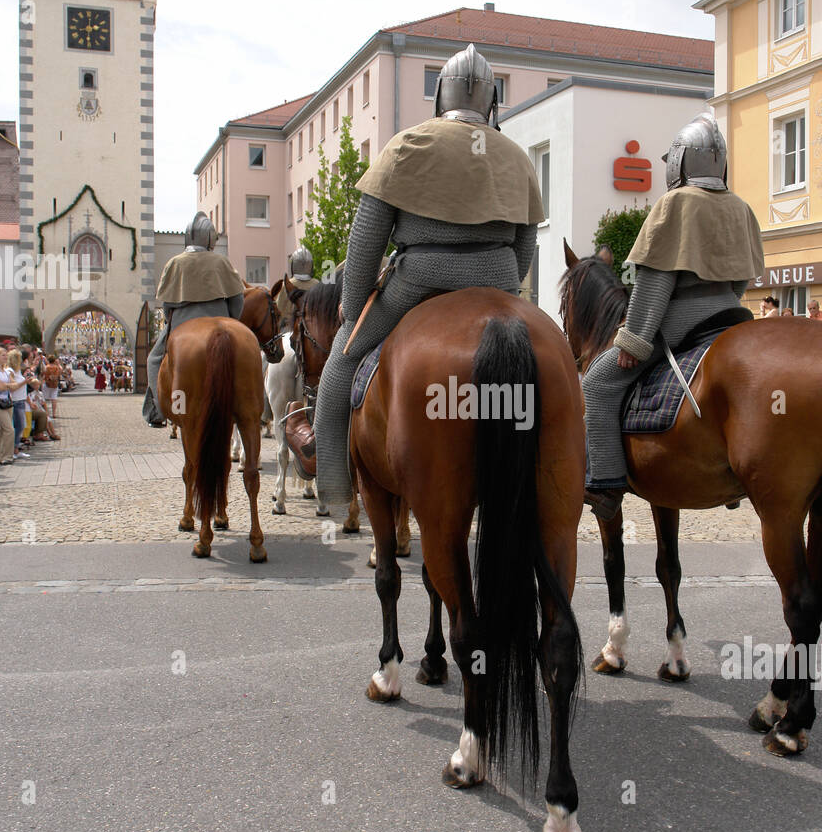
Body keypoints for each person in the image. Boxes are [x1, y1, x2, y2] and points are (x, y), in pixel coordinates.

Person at [314, 43, 544, 509]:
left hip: (418, 282)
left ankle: (334, 483)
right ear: (492, 101)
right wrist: (504, 290)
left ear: (440, 95)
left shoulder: (409, 144)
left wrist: (355, 313)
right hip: (496, 282)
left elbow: (365, 243)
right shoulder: (516, 156)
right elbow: (525, 245)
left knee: (341, 358)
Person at [580, 113, 763, 519]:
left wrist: (635, 340)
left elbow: (656, 283)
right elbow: (741, 281)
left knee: (596, 382)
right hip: (732, 316)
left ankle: (606, 484)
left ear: (679, 162)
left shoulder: (675, 203)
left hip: (683, 320)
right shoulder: (741, 206)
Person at [142, 211, 247, 427]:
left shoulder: (175, 262)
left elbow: (167, 305)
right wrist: (231, 322)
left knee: (153, 359)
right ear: (210, 238)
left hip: (181, 322)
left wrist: (171, 323)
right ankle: (250, 407)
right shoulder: (222, 262)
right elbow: (238, 300)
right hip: (221, 322)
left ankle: (161, 410)